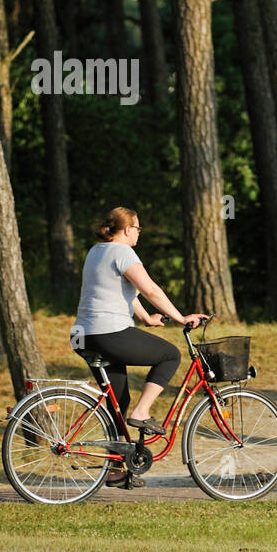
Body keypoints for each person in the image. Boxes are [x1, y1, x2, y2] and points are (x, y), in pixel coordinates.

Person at [71, 207, 206, 485]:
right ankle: (142, 413)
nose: (139, 234)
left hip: (83, 335)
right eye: (138, 229)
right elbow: (150, 289)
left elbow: (120, 290)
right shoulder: (123, 252)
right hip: (108, 333)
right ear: (128, 229)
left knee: (116, 402)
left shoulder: (97, 250)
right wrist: (181, 317)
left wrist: (146, 317)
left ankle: (117, 470)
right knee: (170, 355)